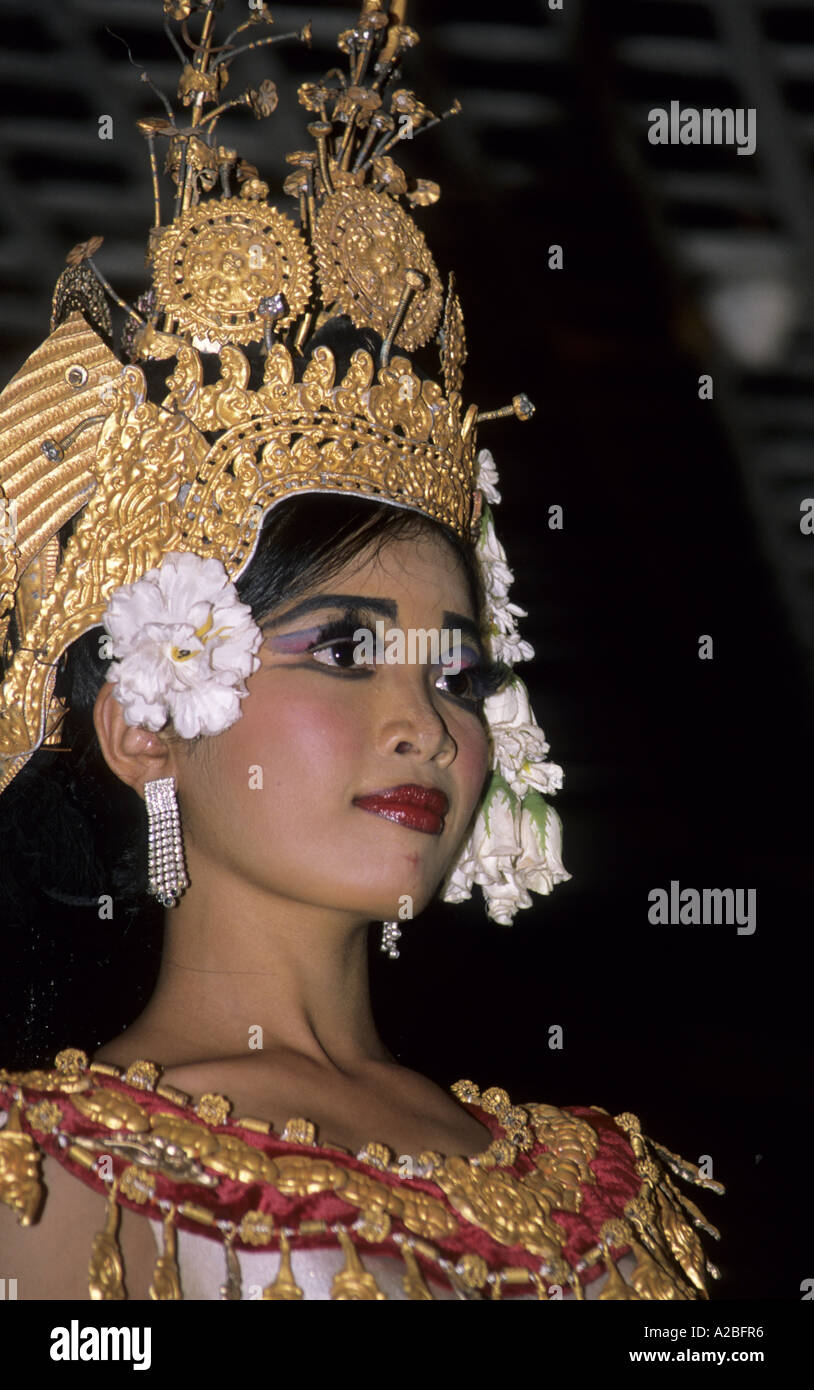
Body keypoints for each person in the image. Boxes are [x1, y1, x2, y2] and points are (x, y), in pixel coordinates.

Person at [0, 0, 723, 1301]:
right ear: (146, 720)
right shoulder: (41, 1174)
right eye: (341, 649)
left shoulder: (605, 1193)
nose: (427, 728)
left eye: (457, 674)